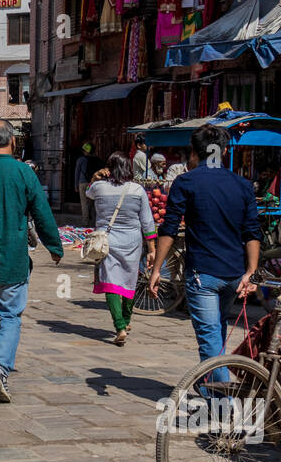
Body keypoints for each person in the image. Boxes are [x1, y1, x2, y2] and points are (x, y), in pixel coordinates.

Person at [0, 120, 64, 404]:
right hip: (12, 259)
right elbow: (42, 213)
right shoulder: (23, 172)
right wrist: (54, 246)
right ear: (13, 141)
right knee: (10, 317)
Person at [149, 124, 261, 383]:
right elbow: (252, 232)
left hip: (203, 275)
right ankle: (212, 385)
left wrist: (157, 269)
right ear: (221, 152)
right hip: (234, 274)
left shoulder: (186, 182)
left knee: (210, 337)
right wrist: (251, 272)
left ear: (194, 153)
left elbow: (169, 227)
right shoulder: (242, 185)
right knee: (216, 330)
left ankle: (223, 399)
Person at [86, 152, 157, 346]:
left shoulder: (99, 187)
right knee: (129, 279)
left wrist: (96, 176)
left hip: (107, 241)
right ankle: (126, 320)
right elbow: (147, 220)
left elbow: (87, 193)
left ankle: (120, 326)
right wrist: (152, 248)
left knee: (111, 280)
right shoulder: (137, 190)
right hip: (132, 241)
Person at [74, 141, 103, 227]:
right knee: (93, 202)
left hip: (82, 183)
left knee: (84, 203)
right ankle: (94, 222)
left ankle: (85, 223)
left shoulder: (80, 159)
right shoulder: (98, 159)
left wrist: (76, 185)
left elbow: (77, 173)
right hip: (94, 183)